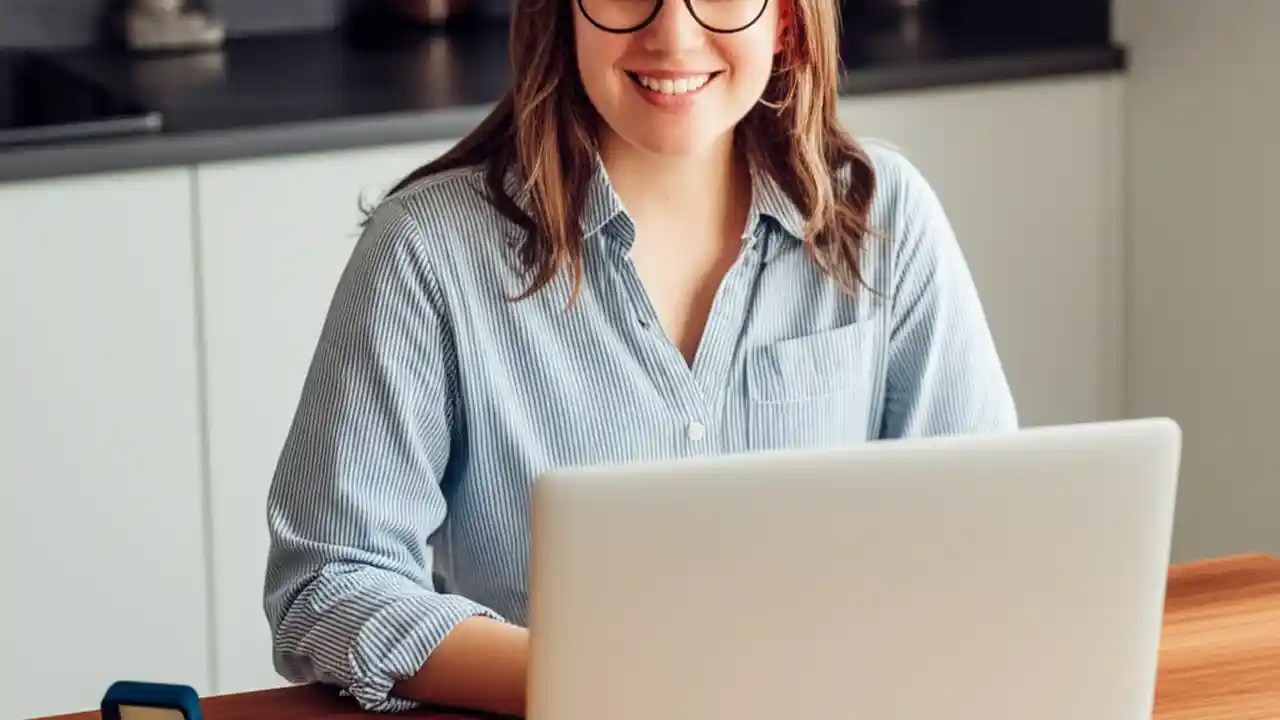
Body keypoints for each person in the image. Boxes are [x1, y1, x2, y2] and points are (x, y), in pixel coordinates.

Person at [262, 0, 1017, 713]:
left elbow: (988, 546)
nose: (673, 34)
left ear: (786, 19)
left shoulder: (887, 220)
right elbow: (326, 586)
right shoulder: (425, 254)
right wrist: (602, 689)